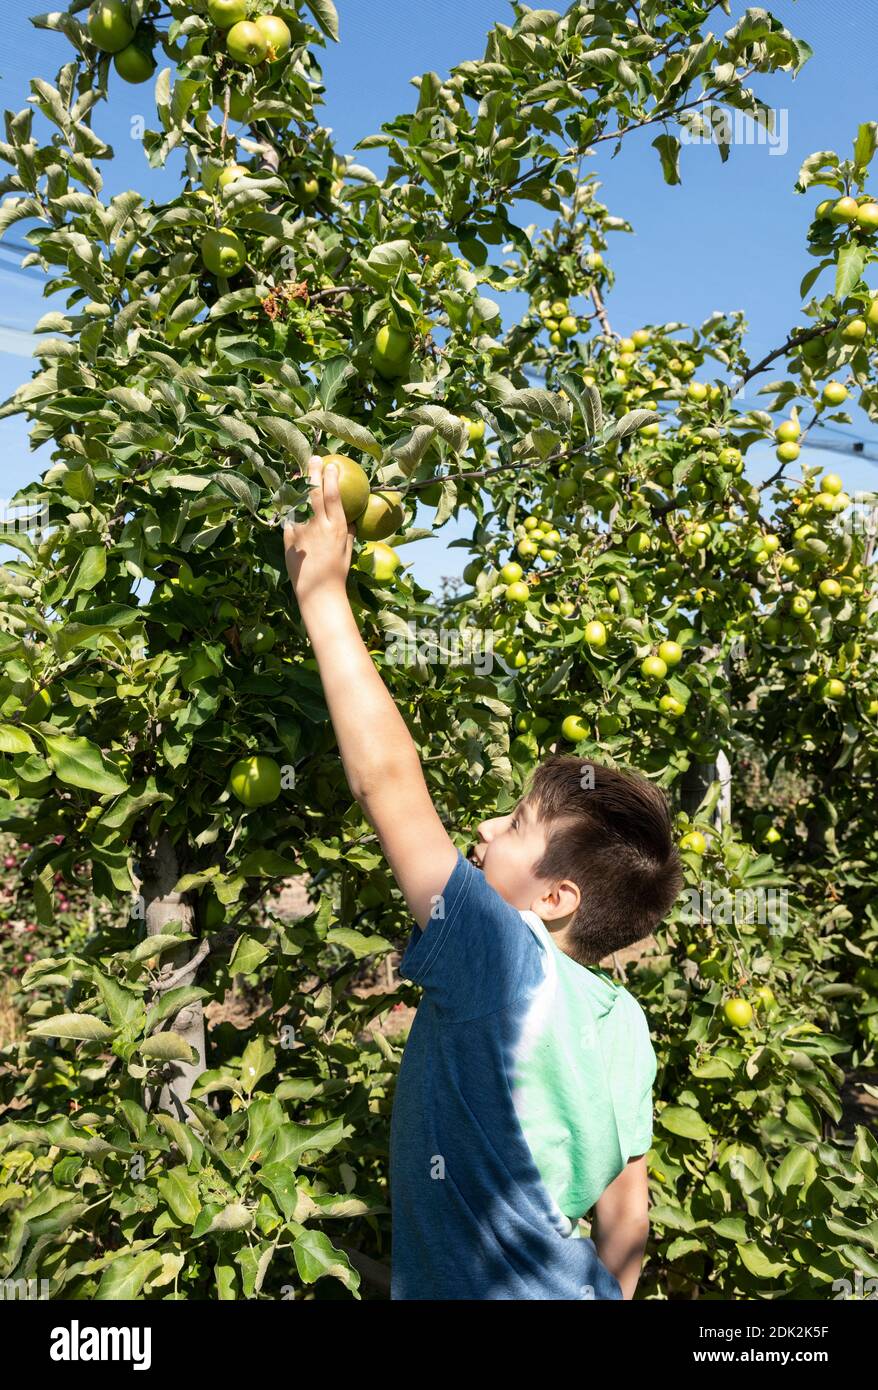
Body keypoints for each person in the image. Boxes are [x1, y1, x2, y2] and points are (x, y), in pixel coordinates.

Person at [284, 457, 683, 1301]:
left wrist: (323, 598)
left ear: (554, 901)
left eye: (515, 825)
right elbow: (627, 1221)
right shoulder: (625, 1022)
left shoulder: (500, 959)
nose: (486, 827)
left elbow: (389, 785)